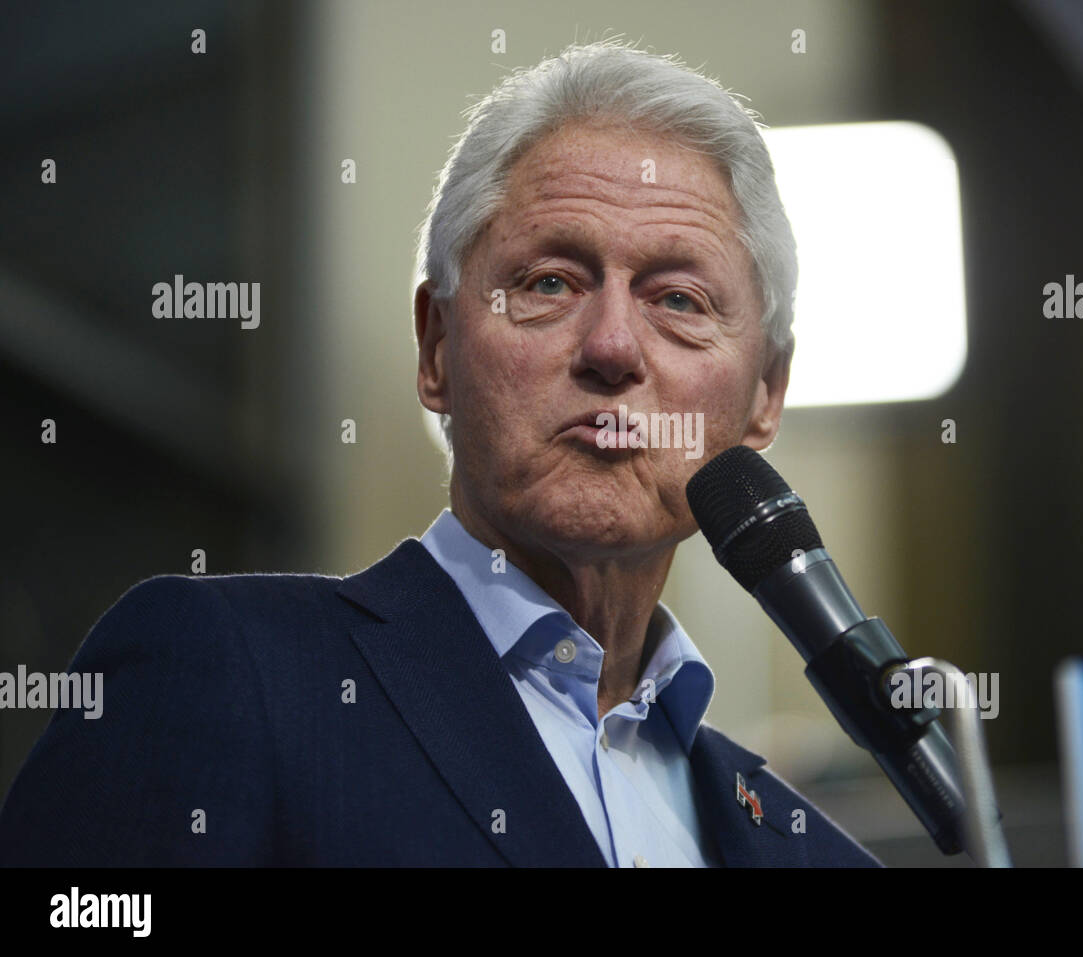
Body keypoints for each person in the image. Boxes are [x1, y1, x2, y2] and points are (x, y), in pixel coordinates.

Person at [0, 39, 880, 867]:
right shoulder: (223, 674)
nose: (613, 346)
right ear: (435, 350)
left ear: (765, 392)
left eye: (680, 299)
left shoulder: (810, 850)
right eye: (548, 283)